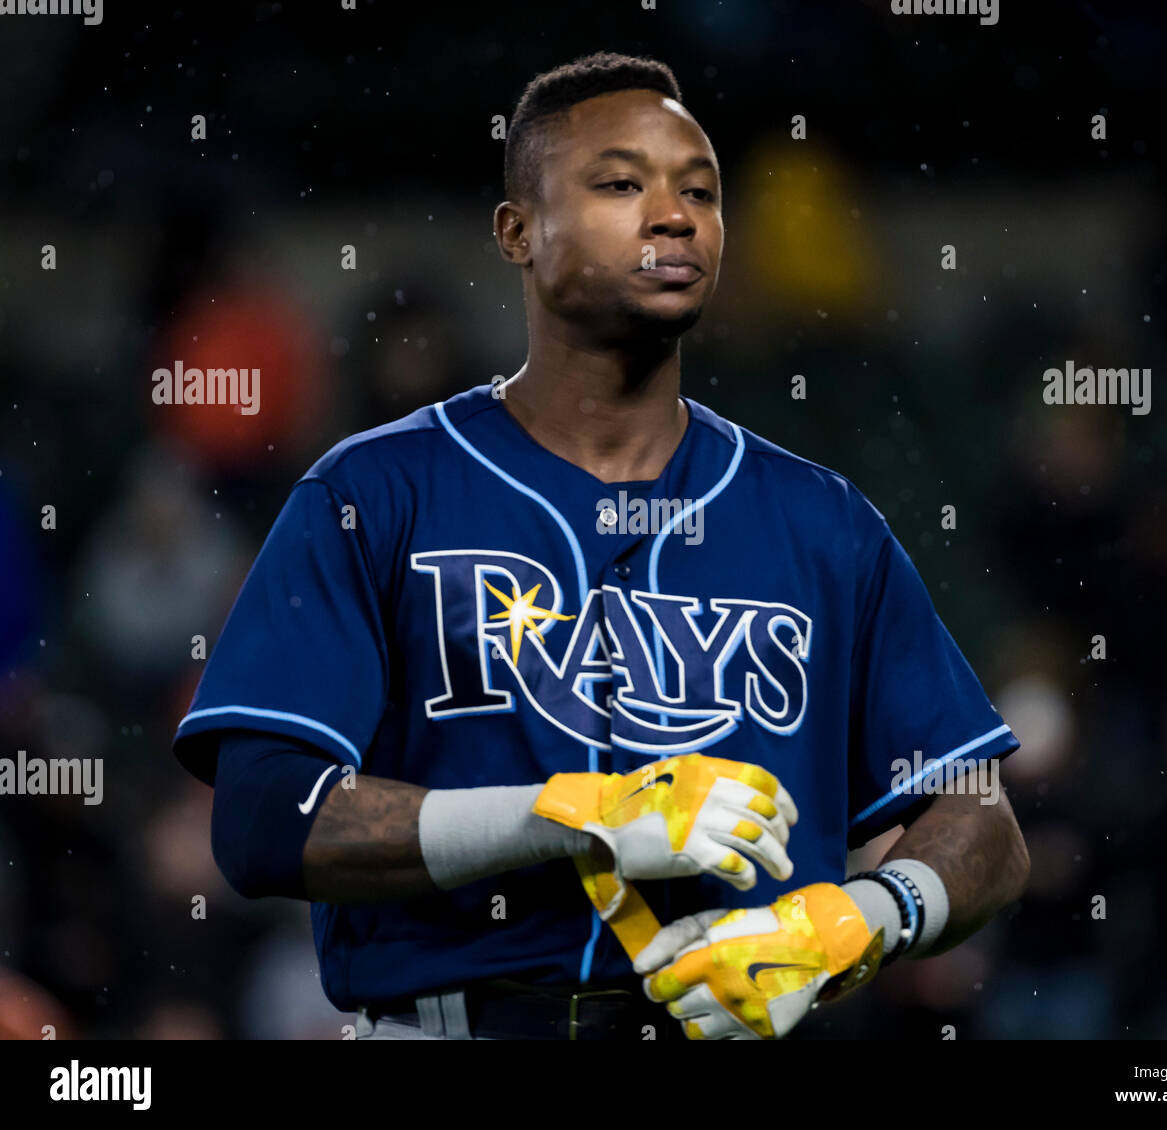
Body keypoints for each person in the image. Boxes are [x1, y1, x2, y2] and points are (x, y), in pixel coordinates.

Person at [173, 51, 1030, 1041]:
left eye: (700, 191)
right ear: (517, 230)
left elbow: (979, 814)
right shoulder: (376, 491)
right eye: (621, 183)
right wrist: (568, 813)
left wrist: (864, 915)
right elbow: (263, 814)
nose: (673, 214)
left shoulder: (821, 520)